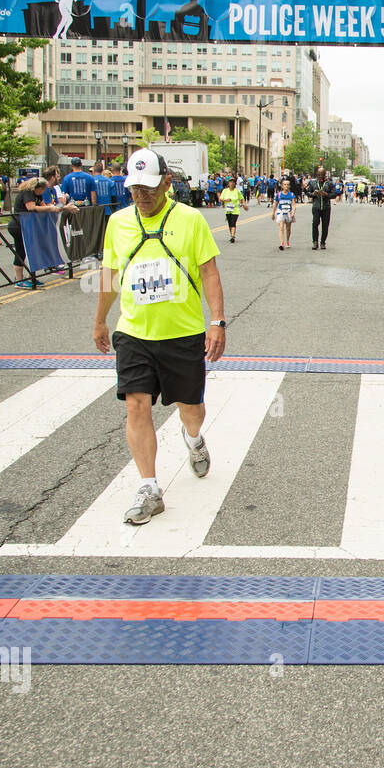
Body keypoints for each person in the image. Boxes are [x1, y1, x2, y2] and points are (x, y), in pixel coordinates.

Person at [92, 149, 227, 525]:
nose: (142, 195)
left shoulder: (191, 220)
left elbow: (209, 272)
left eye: (149, 187)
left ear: (167, 183)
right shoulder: (118, 223)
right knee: (136, 404)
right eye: (134, 188)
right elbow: (109, 274)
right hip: (133, 332)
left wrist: (217, 321)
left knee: (191, 409)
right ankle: (149, 487)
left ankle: (194, 439)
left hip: (182, 333)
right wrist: (101, 320)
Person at [10, 176, 77, 288]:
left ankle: (31, 278)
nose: (44, 192)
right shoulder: (28, 193)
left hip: (29, 226)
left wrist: (61, 207)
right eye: (43, 189)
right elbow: (31, 207)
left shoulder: (37, 194)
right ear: (38, 188)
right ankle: (19, 280)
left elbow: (44, 206)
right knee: (21, 252)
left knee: (31, 252)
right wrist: (50, 208)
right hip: (19, 225)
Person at [307, 165, 337, 250]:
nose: (320, 176)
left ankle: (323, 242)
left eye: (322, 174)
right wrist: (313, 194)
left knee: (325, 225)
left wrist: (326, 194)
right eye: (319, 174)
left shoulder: (329, 183)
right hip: (316, 206)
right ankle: (315, 242)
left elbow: (334, 194)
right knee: (315, 223)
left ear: (325, 175)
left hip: (326, 207)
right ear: (317, 174)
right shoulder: (313, 183)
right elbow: (308, 192)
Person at [219, 177, 247, 243]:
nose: (231, 183)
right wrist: (226, 200)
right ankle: (232, 234)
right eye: (230, 182)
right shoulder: (225, 191)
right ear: (228, 183)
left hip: (235, 209)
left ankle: (232, 236)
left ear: (235, 184)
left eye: (233, 182)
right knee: (230, 223)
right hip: (228, 209)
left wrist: (243, 204)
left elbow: (242, 198)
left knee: (233, 222)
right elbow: (220, 199)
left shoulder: (237, 191)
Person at [274, 177, 295, 250]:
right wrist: (273, 213)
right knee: (281, 227)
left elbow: (293, 204)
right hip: (281, 212)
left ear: (289, 186)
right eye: (285, 184)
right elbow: (276, 205)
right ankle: (282, 243)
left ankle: (287, 241)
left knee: (288, 229)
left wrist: (293, 212)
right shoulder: (279, 195)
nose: (286, 186)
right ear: (282, 186)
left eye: (287, 185)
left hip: (288, 212)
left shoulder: (291, 195)